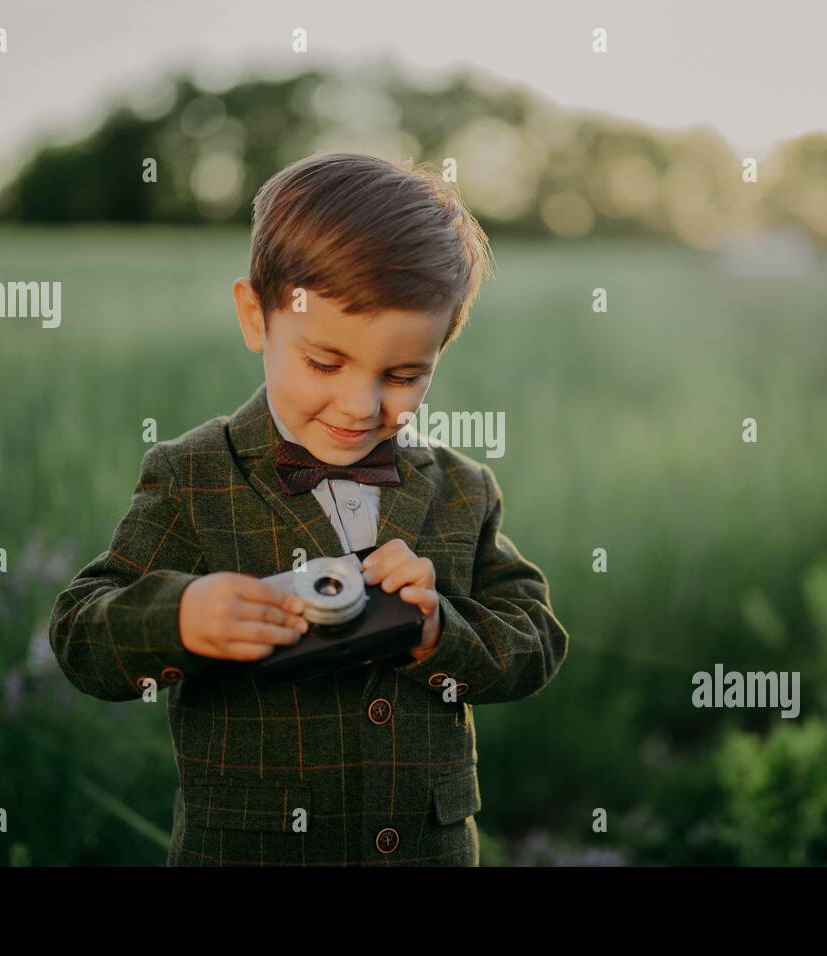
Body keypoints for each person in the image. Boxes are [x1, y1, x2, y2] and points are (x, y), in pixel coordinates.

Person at [48, 151, 569, 865]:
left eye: (403, 375)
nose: (359, 406)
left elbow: (534, 640)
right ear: (255, 317)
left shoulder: (462, 489)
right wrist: (181, 617)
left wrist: (432, 628)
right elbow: (80, 633)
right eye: (325, 364)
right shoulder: (192, 476)